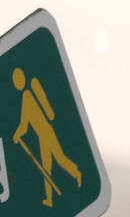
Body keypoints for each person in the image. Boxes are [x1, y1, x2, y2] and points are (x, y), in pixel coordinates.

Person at [12, 67, 82, 207]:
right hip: (42, 136)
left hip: (46, 133)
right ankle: (49, 198)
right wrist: (18, 133)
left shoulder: (27, 97)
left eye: (17, 80)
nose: (16, 83)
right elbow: (25, 123)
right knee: (46, 167)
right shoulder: (26, 96)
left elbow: (24, 124)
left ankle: (76, 173)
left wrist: (17, 134)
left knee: (59, 159)